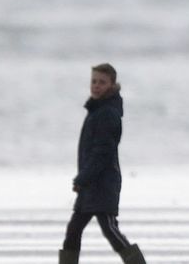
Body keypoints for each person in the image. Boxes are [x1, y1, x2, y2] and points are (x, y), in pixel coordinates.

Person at [60, 63, 145, 264]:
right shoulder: (97, 110)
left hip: (103, 183)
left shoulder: (107, 113)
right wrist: (85, 179)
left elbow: (103, 153)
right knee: (74, 229)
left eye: (102, 82)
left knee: (110, 230)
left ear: (112, 85)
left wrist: (83, 178)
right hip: (91, 184)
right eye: (94, 81)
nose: (96, 86)